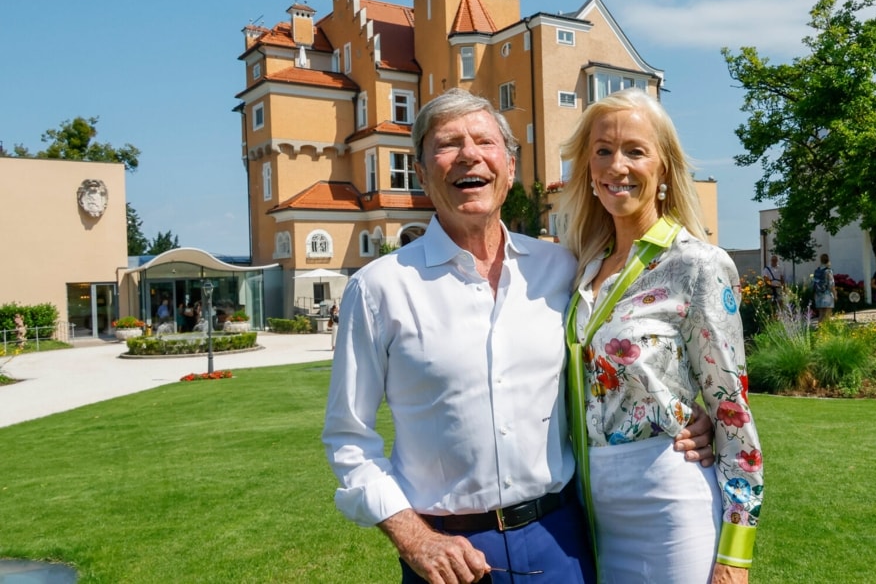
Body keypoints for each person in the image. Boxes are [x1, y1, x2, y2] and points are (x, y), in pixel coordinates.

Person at [321, 88, 714, 584]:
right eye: (447, 144)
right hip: (449, 554)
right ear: (421, 172)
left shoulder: (564, 269)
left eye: (483, 141)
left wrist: (678, 414)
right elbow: (348, 438)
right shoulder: (378, 289)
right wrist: (415, 538)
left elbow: (611, 360)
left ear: (509, 167)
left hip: (562, 540)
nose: (468, 154)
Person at [560, 87, 764, 584]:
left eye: (635, 150)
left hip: (664, 504)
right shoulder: (580, 267)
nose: (616, 165)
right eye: (603, 151)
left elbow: (732, 413)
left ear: (665, 168)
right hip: (581, 506)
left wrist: (735, 556)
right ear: (588, 170)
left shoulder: (697, 265)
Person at [813, 253, 837, 323]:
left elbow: (814, 283)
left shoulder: (817, 271)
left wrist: (814, 293)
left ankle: (819, 329)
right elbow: (831, 284)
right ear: (828, 260)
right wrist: (835, 295)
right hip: (827, 294)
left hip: (818, 294)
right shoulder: (828, 271)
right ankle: (825, 330)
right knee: (827, 314)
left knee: (821, 314)